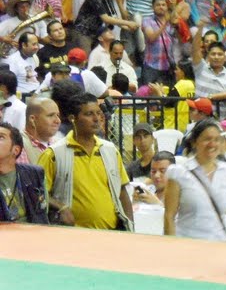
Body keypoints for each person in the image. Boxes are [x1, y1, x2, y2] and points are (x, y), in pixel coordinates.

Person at [40, 92, 133, 231]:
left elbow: (122, 193)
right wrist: (61, 208)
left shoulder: (110, 150)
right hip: (73, 237)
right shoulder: (54, 154)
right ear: (73, 118)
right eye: (89, 114)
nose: (97, 118)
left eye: (98, 113)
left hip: (111, 234)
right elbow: (38, 194)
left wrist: (131, 226)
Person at [163, 118, 226, 242]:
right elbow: (169, 216)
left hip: (219, 245)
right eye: (207, 139)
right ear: (195, 142)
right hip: (187, 245)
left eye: (216, 139)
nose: (212, 144)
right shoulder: (179, 173)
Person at [0, 122, 49, 223]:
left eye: (1, 137)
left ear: (15, 150)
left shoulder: (34, 174)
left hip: (32, 234)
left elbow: (42, 212)